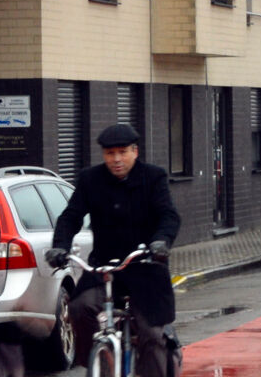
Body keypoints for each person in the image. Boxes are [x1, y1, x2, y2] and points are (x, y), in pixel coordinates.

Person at [46, 124, 180, 377]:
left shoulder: (153, 177)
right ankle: (98, 363)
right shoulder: (90, 179)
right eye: (110, 154)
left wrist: (161, 242)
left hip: (146, 266)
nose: (116, 159)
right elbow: (71, 216)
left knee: (151, 333)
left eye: (122, 152)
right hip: (105, 267)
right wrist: (60, 246)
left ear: (135, 151)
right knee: (79, 308)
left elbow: (168, 215)